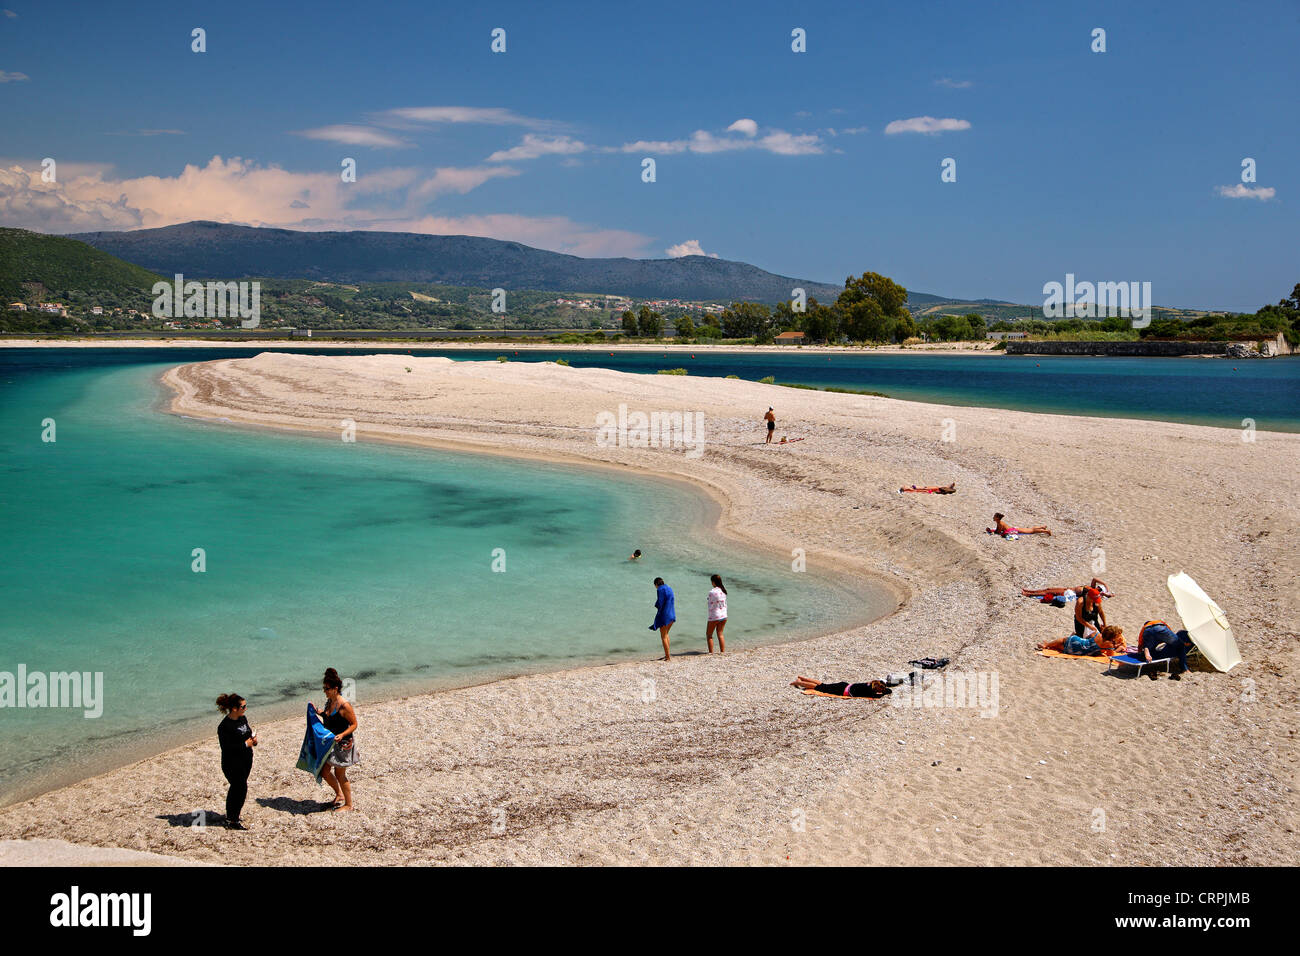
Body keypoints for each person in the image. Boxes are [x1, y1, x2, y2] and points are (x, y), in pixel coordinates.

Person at [318, 668, 359, 810]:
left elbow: (354, 724)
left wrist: (342, 734)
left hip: (343, 744)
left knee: (340, 774)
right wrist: (320, 713)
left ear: (335, 689)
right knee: (324, 771)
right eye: (324, 688)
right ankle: (339, 794)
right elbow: (329, 718)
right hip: (331, 743)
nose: (325, 691)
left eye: (327, 688)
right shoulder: (330, 702)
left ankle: (348, 804)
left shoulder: (344, 705)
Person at [216, 692, 257, 830]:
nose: (245, 709)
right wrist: (245, 744)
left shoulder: (242, 719)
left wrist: (253, 740)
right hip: (232, 763)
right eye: (243, 706)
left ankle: (234, 816)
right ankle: (231, 819)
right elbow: (226, 748)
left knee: (240, 788)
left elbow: (248, 733)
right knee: (238, 789)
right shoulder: (224, 726)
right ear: (234, 708)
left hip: (245, 761)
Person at [1037, 625, 1126, 657]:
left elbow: (1089, 636)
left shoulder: (1097, 634)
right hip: (1078, 652)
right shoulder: (1109, 645)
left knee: (1063, 640)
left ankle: (1047, 645)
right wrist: (1118, 647)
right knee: (1063, 647)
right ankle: (1048, 646)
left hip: (1077, 641)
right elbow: (1111, 655)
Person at [1022, 578, 1112, 605]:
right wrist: (1106, 586)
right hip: (1068, 589)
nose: (1098, 588)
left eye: (1099, 589)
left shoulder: (1092, 593)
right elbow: (1094, 579)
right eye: (1099, 588)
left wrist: (1105, 594)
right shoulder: (1092, 588)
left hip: (1068, 592)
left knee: (1047, 591)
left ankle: (1028, 594)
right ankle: (1030, 591)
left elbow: (1097, 598)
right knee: (1048, 589)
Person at [790, 676, 892, 698]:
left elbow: (887, 689)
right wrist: (883, 693)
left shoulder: (871, 683)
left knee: (822, 685)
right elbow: (886, 692)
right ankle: (797, 683)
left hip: (845, 684)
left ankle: (802, 678)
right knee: (818, 688)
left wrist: (883, 690)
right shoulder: (871, 692)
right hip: (842, 690)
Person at [649, 577, 676, 660]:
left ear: (656, 584)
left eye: (655, 586)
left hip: (665, 615)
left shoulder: (660, 589)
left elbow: (660, 603)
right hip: (672, 614)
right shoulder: (669, 588)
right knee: (666, 634)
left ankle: (668, 657)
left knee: (663, 636)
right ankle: (667, 654)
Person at [706, 574, 728, 654]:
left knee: (709, 635)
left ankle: (711, 653)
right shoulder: (724, 591)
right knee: (720, 634)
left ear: (713, 582)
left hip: (715, 616)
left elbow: (710, 603)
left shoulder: (712, 592)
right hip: (724, 615)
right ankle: (722, 652)